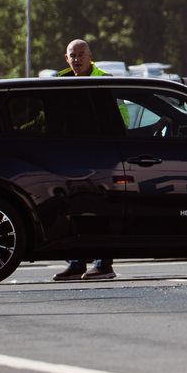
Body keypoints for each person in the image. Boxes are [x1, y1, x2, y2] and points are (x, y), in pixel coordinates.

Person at [52, 39, 117, 281]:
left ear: (90, 56)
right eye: (73, 55)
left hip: (101, 157)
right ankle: (77, 263)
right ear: (66, 58)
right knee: (71, 210)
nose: (77, 59)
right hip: (70, 157)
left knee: (100, 210)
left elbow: (117, 117)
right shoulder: (60, 83)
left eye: (81, 54)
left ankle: (103, 263)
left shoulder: (104, 78)